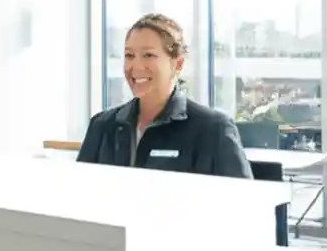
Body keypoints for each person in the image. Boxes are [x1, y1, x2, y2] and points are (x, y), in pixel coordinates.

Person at [77, 13, 252, 178]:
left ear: (178, 64)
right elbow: (77, 195)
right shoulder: (102, 126)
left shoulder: (213, 129)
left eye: (149, 55)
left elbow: (244, 203)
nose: (136, 66)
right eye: (129, 55)